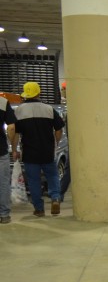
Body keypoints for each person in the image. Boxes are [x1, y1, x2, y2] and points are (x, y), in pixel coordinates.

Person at [11, 82, 65, 217]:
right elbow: (59, 129)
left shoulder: (19, 111)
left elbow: (15, 133)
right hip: (47, 150)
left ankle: (39, 209)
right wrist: (55, 142)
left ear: (25, 95)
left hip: (29, 152)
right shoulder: (48, 109)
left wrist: (14, 149)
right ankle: (55, 198)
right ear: (39, 93)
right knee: (52, 176)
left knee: (34, 180)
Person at [0, 95, 18, 224]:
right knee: (3, 183)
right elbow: (11, 127)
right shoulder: (2, 102)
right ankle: (4, 215)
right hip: (0, 150)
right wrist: (12, 144)